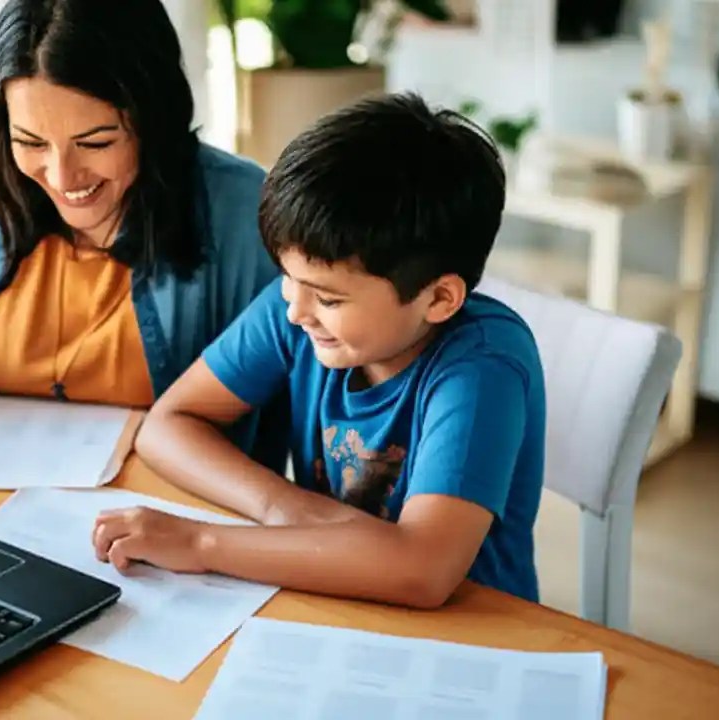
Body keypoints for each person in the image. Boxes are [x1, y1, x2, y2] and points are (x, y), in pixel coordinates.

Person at [0, 0, 284, 516]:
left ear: (153, 116)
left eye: (95, 142)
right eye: (29, 141)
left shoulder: (243, 214)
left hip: (173, 535)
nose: (62, 177)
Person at [91, 93, 547, 607]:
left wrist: (200, 542)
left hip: (476, 631)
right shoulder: (302, 310)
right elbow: (166, 425)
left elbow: (424, 570)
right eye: (289, 279)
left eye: (329, 297)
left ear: (439, 298)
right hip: (331, 596)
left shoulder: (483, 366)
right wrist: (283, 508)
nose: (295, 311)